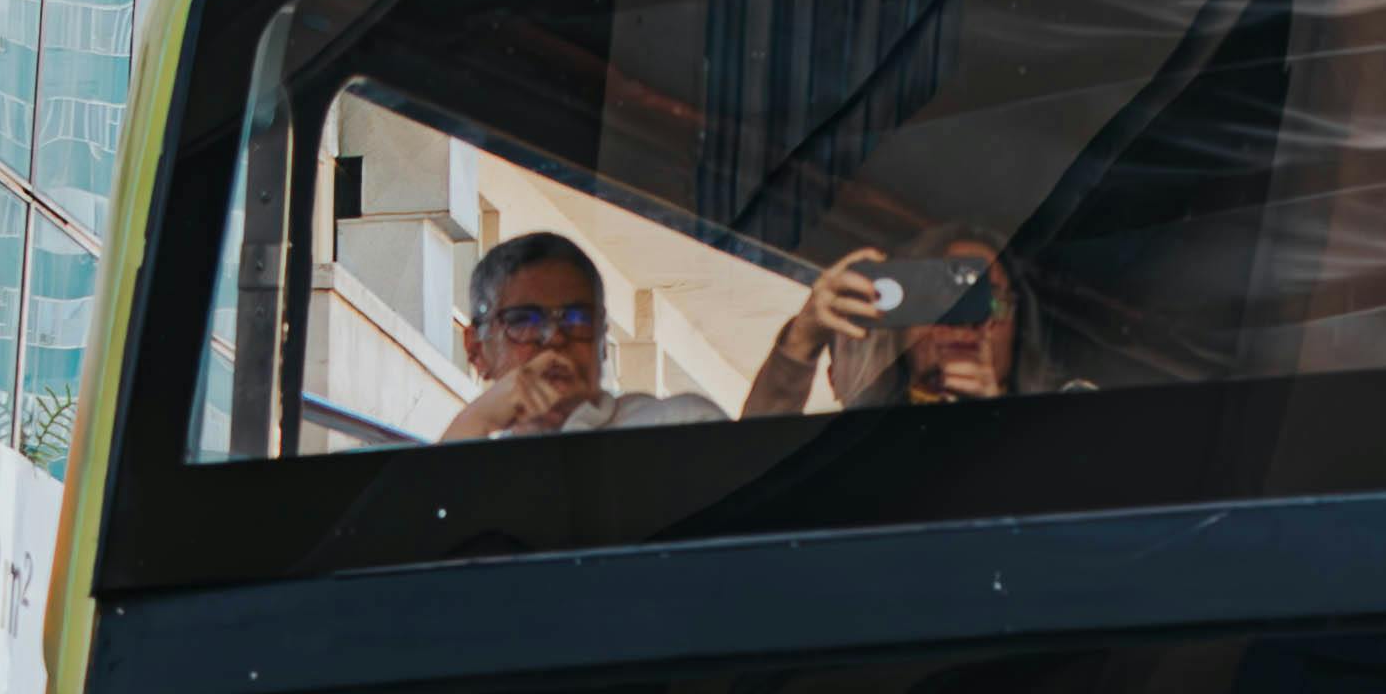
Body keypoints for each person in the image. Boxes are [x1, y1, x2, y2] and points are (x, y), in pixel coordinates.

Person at [435, 234, 723, 444]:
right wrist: (474, 421)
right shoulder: (478, 468)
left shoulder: (678, 427)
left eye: (578, 318)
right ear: (476, 350)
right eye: (523, 321)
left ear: (602, 343)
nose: (555, 338)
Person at [743, 230, 1043, 414]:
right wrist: (802, 340)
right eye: (936, 301)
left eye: (987, 303)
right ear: (903, 330)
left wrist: (993, 423)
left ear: (1019, 331)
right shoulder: (856, 440)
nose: (962, 325)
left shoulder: (1060, 424)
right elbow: (749, 475)